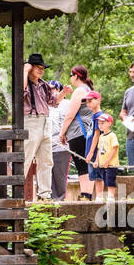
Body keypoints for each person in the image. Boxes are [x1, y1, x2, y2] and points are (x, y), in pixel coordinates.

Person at [58, 65, 97, 199]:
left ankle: (85, 195)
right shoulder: (90, 90)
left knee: (82, 166)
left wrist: (62, 133)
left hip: (78, 132)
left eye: (71, 76)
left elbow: (70, 114)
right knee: (88, 165)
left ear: (76, 76)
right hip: (90, 132)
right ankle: (88, 195)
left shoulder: (79, 91)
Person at [22, 52, 54, 201]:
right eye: (38, 67)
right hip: (30, 120)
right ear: (30, 68)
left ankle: (45, 195)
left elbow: (52, 101)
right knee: (26, 157)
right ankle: (16, 191)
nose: (41, 70)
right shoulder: (24, 80)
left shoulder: (43, 84)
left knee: (46, 160)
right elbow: (20, 92)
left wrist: (64, 93)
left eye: (43, 68)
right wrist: (24, 71)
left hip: (45, 121)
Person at [46, 82, 73, 201]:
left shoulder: (68, 104)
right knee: (47, 175)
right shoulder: (45, 104)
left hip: (62, 146)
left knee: (60, 175)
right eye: (49, 89)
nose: (51, 91)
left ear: (59, 90)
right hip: (46, 145)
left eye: (53, 88)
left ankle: (60, 200)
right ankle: (48, 199)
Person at [93, 112, 119, 202]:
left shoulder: (112, 135)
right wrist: (96, 161)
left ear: (109, 123)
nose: (100, 125)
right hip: (102, 164)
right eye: (99, 123)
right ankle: (101, 197)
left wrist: (108, 160)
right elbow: (99, 149)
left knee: (110, 180)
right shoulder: (100, 137)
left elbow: (114, 148)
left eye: (102, 123)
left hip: (111, 164)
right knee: (104, 179)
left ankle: (111, 196)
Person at [118, 60, 134, 171]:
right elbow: (123, 111)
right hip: (131, 137)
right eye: (131, 72)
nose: (132, 74)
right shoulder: (128, 91)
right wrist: (124, 117)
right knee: (133, 171)